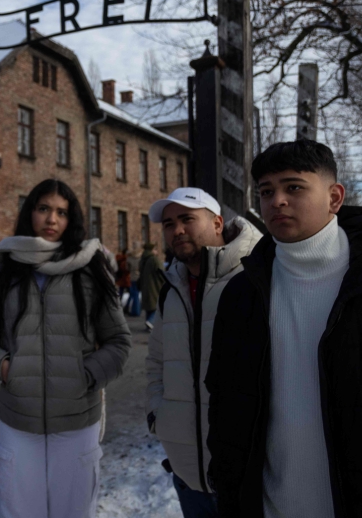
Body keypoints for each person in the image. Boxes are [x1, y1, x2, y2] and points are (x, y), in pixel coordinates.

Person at [205, 140, 362, 518]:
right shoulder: (242, 295)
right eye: (266, 191)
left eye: (293, 187)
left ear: (335, 197)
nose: (277, 200)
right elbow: (226, 405)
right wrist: (229, 490)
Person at [0, 179, 132, 518]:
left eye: (62, 212)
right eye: (44, 208)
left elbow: (118, 341)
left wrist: (85, 375)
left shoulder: (90, 266)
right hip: (18, 422)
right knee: (17, 511)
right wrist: (4, 367)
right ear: (30, 212)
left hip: (77, 424)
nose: (52, 219)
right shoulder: (3, 266)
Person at [144, 188, 261, 517]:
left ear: (218, 223)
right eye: (168, 224)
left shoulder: (254, 277)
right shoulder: (174, 289)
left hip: (246, 476)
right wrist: (159, 414)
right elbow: (156, 363)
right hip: (187, 475)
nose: (177, 230)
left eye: (186, 219)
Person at [138, 243, 164, 330]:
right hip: (155, 286)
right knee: (158, 305)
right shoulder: (154, 259)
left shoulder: (143, 259)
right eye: (155, 249)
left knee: (150, 306)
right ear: (152, 250)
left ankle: (148, 325)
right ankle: (151, 321)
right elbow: (161, 272)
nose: (156, 251)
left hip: (146, 285)